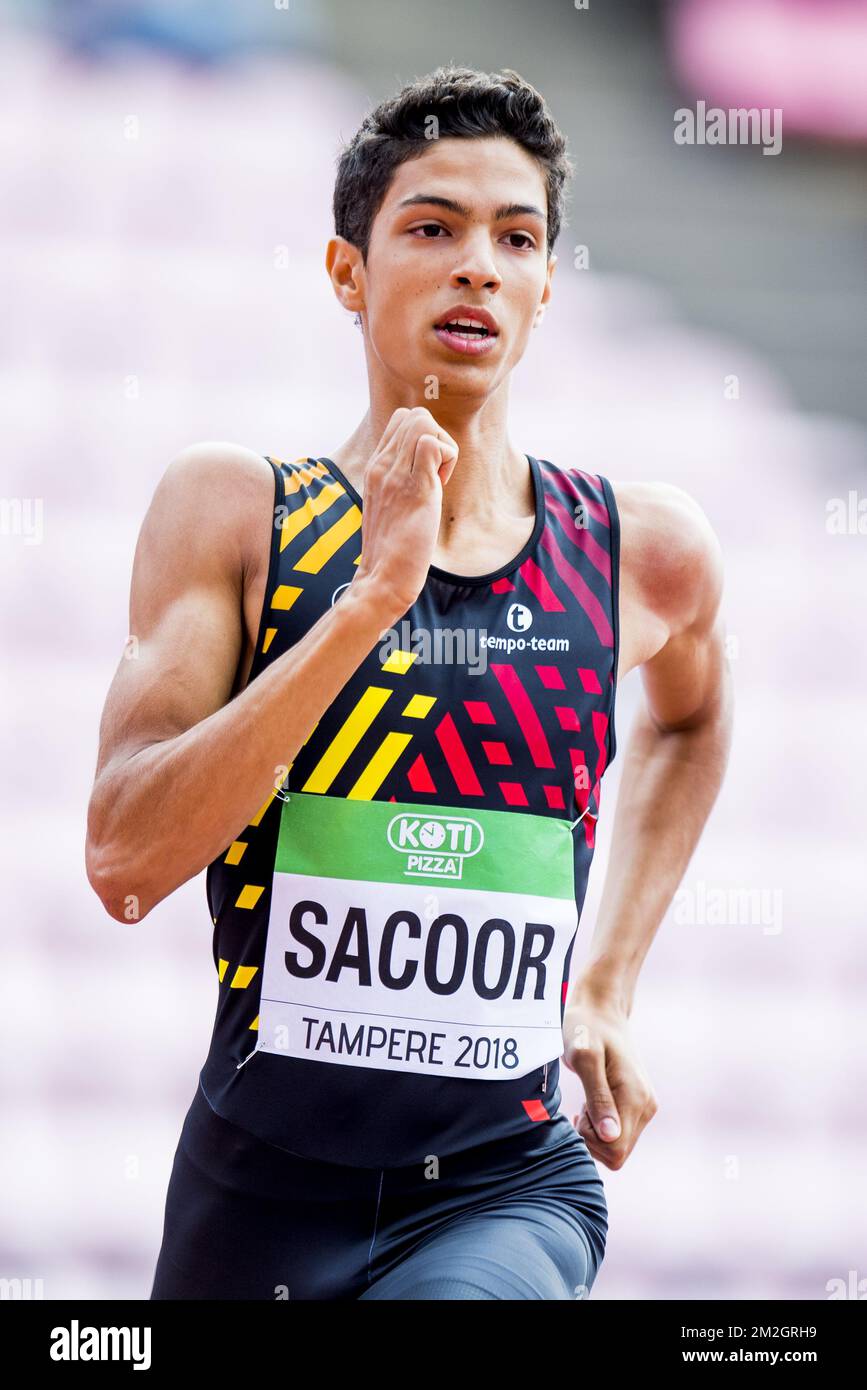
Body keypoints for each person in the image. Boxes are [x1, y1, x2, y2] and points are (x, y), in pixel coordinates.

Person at [85, 64, 733, 1301]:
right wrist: (369, 602)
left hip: (507, 1186)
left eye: (517, 237)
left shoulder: (640, 549)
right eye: (432, 228)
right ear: (349, 273)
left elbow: (693, 717)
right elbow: (124, 861)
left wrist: (607, 979)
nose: (477, 264)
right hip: (255, 1195)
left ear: (546, 287)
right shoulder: (236, 514)